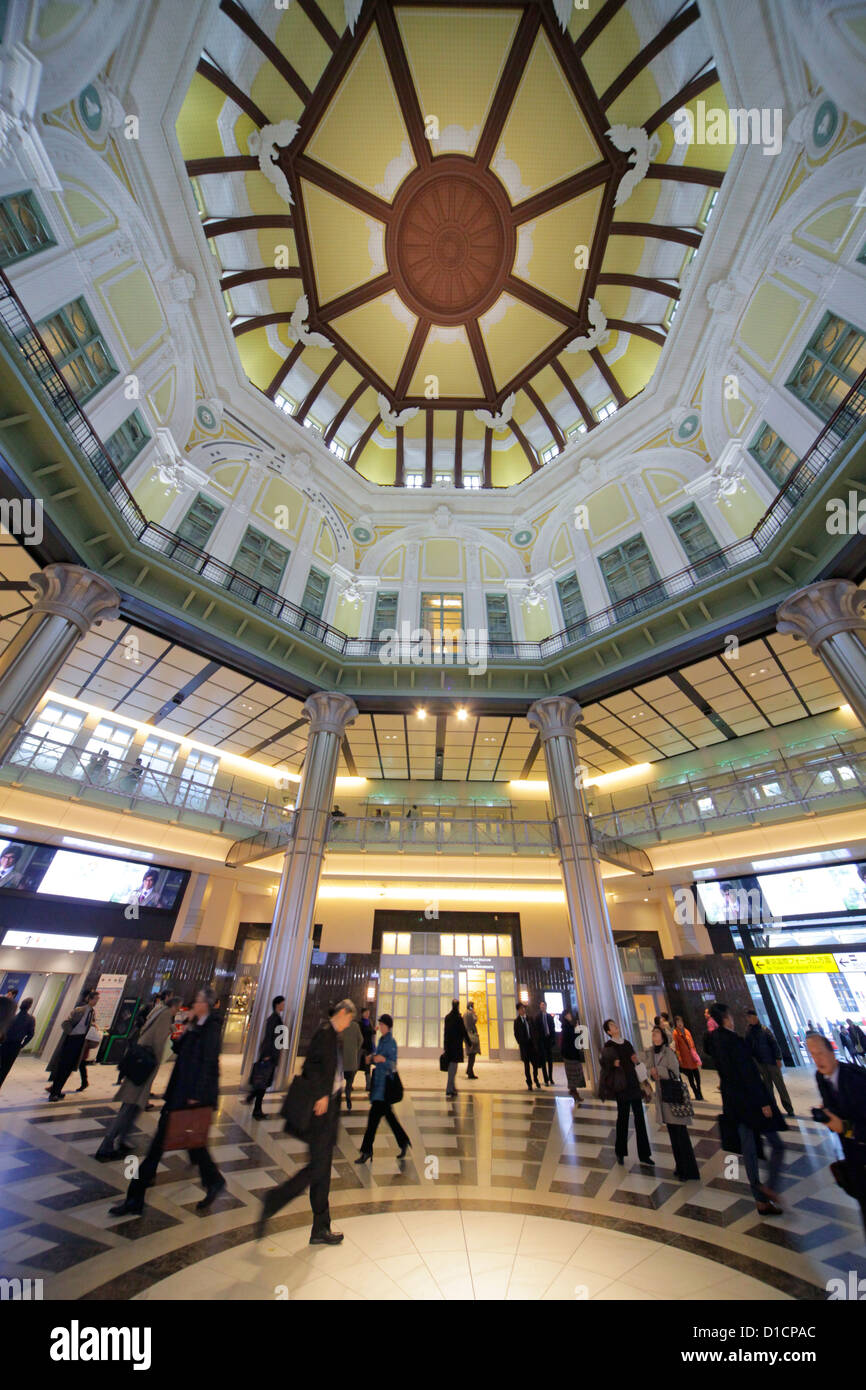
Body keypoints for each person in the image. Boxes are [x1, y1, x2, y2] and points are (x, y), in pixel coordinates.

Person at [109, 987, 225, 1216]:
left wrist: (196, 1096)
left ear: (206, 1005)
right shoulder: (197, 1026)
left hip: (190, 1098)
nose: (194, 1004)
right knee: (191, 1146)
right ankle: (214, 1181)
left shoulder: (211, 1029)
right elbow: (179, 1050)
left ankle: (135, 1198)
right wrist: (188, 1027)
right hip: (179, 1095)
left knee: (159, 1149)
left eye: (198, 1001)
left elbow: (209, 1064)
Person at [255, 998, 357, 1245]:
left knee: (321, 1171)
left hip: (329, 1109)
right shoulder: (325, 1034)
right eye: (348, 1020)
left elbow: (329, 1069)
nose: (348, 1025)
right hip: (320, 1112)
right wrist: (322, 1094)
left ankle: (320, 1228)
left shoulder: (333, 1035)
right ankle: (276, 1200)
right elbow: (311, 1066)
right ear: (342, 1013)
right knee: (318, 1169)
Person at [710, 1001, 786, 1216]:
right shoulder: (734, 1041)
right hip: (751, 1103)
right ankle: (768, 1187)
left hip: (734, 1104)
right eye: (731, 1016)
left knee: (749, 1149)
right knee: (776, 1144)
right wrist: (764, 1102)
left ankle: (760, 1199)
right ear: (726, 1018)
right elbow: (749, 1075)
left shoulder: (715, 1041)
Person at [94, 992, 177, 1160]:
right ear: (173, 1005)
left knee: (133, 1106)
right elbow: (158, 1043)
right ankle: (108, 1143)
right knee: (130, 1106)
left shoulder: (157, 1010)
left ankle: (123, 1138)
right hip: (144, 1066)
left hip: (139, 1061)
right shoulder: (165, 1014)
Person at [807, 1032, 866, 1237]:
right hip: (855, 1159)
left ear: (832, 1052)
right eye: (812, 1055)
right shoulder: (821, 1077)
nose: (817, 1060)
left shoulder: (856, 1080)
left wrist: (844, 1127)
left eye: (820, 1053)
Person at [646, 1025, 699, 1180]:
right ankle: (680, 1165)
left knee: (681, 1134)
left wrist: (659, 1072)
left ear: (663, 1037)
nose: (654, 1037)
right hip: (663, 1096)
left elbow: (675, 1072)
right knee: (673, 1135)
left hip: (673, 1095)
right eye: (653, 1034)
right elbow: (649, 1069)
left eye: (657, 1034)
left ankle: (689, 1169)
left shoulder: (668, 1052)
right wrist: (652, 1073)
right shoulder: (652, 1053)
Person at [355, 1013, 409, 1164]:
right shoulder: (381, 1040)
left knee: (373, 1121)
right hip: (379, 1086)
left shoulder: (391, 1042)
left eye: (383, 1025)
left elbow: (392, 1064)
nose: (381, 1027)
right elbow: (379, 1059)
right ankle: (403, 1141)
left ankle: (366, 1151)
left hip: (384, 1088)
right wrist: (372, 1058)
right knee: (389, 1118)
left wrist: (381, 1059)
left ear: (388, 1026)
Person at [598, 1018, 653, 1166]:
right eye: (611, 1026)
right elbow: (603, 1062)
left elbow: (634, 1059)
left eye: (615, 1024)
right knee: (622, 1118)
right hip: (621, 1086)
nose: (615, 1026)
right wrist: (612, 1064)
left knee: (640, 1118)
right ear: (609, 1031)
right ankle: (620, 1151)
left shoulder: (627, 1043)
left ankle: (645, 1154)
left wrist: (635, 1061)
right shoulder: (609, 1045)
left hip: (633, 1084)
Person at [47, 990, 99, 1101]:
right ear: (89, 999)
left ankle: (58, 1090)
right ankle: (54, 1092)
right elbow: (65, 1023)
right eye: (95, 999)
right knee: (63, 1067)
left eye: (97, 999)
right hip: (72, 1040)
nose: (96, 1001)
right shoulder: (79, 1010)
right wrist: (71, 1033)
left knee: (69, 1068)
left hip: (81, 1042)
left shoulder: (92, 1012)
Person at [744, 1009, 794, 1117]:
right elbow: (748, 1047)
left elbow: (774, 1044)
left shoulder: (765, 1030)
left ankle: (788, 1108)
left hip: (771, 1062)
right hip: (760, 1064)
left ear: (756, 1017)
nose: (750, 1020)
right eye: (748, 1018)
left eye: (751, 1017)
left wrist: (778, 1058)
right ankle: (774, 1108)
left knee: (780, 1086)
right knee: (767, 1088)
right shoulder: (748, 1032)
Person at [245, 995, 285, 1120]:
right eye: (282, 1003)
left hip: (272, 1054)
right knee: (263, 1082)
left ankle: (253, 1099)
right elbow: (269, 1038)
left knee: (264, 1082)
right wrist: (267, 1055)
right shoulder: (274, 1019)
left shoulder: (276, 1018)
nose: (284, 1005)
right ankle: (256, 1107)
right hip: (269, 1055)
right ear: (277, 1004)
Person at [0, 998, 35, 1088]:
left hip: (4, 1043)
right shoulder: (30, 1019)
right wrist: (22, 1045)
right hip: (15, 1045)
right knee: (5, 1068)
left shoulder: (12, 1017)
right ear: (29, 1006)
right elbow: (30, 1035)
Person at [672, 1014, 703, 1100]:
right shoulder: (675, 1033)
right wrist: (679, 1058)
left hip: (692, 1057)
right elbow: (677, 1047)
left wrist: (695, 1054)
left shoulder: (687, 1031)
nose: (679, 1024)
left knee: (697, 1075)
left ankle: (699, 1090)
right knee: (690, 1077)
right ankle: (696, 1092)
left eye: (680, 1022)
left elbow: (692, 1044)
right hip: (685, 1059)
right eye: (677, 1022)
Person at [443, 999, 469, 1099]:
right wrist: (469, 1043)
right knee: (453, 1069)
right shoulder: (458, 1018)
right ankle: (449, 1088)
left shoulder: (448, 1017)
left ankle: (452, 1087)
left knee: (452, 1068)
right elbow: (463, 1031)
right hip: (456, 1047)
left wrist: (445, 1046)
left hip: (449, 1047)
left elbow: (445, 1033)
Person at [559, 1009, 585, 1106]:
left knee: (574, 1072)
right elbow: (574, 1036)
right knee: (573, 1073)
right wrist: (577, 1028)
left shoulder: (570, 1025)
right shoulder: (567, 1026)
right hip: (569, 1053)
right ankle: (574, 1091)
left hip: (571, 1052)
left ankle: (573, 1090)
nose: (570, 1016)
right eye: (569, 1014)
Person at [341, 1007, 364, 1111]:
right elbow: (361, 1039)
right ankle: (348, 1097)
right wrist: (356, 1049)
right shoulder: (355, 1026)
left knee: (338, 1081)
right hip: (352, 1059)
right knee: (349, 1082)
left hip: (342, 1060)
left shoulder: (341, 1026)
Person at [514, 1002, 540, 1091]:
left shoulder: (530, 1019)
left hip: (532, 1045)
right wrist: (520, 1042)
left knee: (535, 1064)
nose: (523, 1010)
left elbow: (535, 1030)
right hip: (524, 1046)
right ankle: (529, 1082)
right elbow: (516, 1034)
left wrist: (535, 1041)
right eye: (521, 1009)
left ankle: (535, 1078)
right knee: (526, 1066)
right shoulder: (516, 1021)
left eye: (524, 1008)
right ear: (518, 1010)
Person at [532, 1001, 556, 1086]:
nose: (542, 1007)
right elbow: (535, 1030)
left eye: (544, 1005)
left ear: (546, 1006)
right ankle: (546, 1078)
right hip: (541, 1041)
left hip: (548, 1040)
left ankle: (551, 1077)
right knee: (543, 1060)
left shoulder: (549, 1017)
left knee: (550, 1060)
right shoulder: (537, 1017)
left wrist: (553, 1039)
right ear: (540, 1006)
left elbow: (552, 1028)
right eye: (541, 1005)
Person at [359, 1004, 375, 1091]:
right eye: (366, 1013)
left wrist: (373, 1031)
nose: (367, 1014)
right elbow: (365, 1032)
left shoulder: (369, 1022)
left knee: (367, 1067)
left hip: (368, 1047)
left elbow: (370, 1032)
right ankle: (350, 1084)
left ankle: (368, 1085)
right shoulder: (361, 1023)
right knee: (357, 1066)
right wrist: (372, 1030)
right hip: (363, 1047)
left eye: (368, 1012)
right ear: (362, 1013)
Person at [463, 1000, 480, 1079]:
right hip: (472, 1035)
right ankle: (470, 1071)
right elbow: (475, 1020)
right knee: (472, 1054)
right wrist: (474, 1014)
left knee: (470, 1054)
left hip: (466, 1035)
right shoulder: (470, 1013)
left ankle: (470, 1071)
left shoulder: (464, 1014)